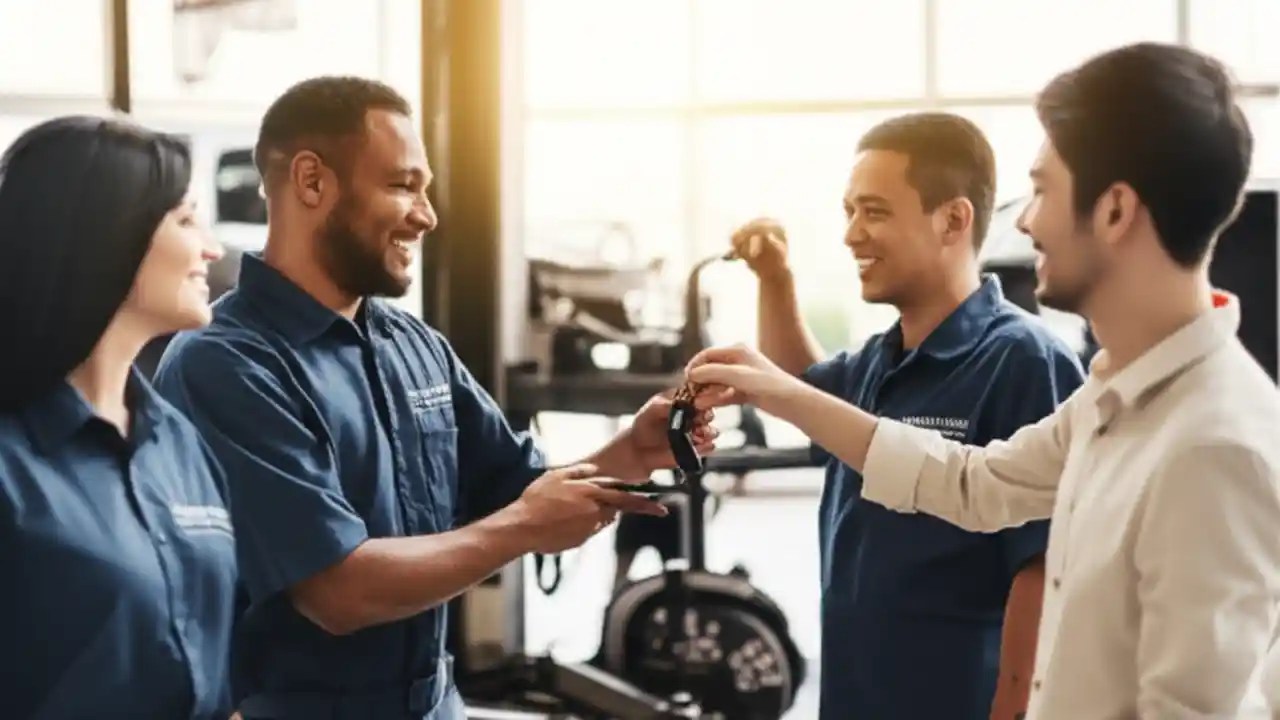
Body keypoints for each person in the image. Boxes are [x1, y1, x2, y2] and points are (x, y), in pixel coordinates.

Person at [687, 42, 1280, 720]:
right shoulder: (1112, 396)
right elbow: (975, 484)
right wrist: (779, 389)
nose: (1026, 220)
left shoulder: (1215, 446)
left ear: (1114, 211)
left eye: (1045, 190)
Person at [152, 76, 715, 720]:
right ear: (311, 182)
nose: (428, 215)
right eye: (402, 185)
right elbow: (339, 593)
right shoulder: (225, 365)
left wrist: (632, 453)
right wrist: (523, 526)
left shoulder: (413, 344)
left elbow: (518, 494)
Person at [725, 113, 1084, 720]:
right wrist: (774, 280)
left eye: (875, 212)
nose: (851, 235)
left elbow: (1043, 565)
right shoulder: (882, 357)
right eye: (848, 212)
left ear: (953, 219)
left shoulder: (1021, 359)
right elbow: (804, 395)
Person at [0, 116, 236, 718]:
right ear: (109, 238)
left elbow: (216, 666)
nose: (212, 247)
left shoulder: (178, 442)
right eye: (185, 220)